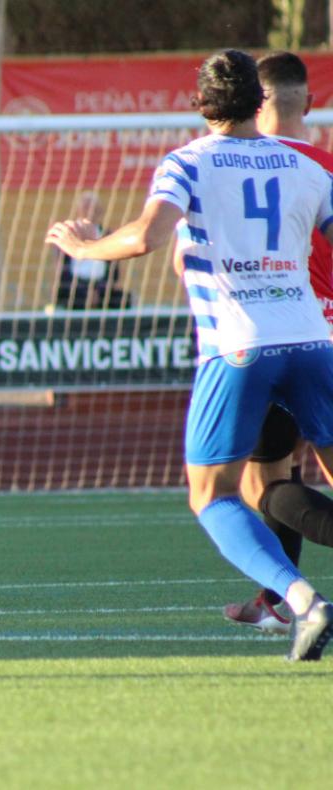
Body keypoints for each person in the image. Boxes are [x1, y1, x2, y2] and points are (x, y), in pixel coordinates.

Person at [46, 50, 333, 661]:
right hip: (312, 342)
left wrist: (84, 247)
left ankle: (303, 601)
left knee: (214, 494)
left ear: (200, 105)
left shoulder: (188, 163)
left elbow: (149, 237)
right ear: (261, 102)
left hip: (239, 347)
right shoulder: (305, 167)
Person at [218, 51, 333, 634]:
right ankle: (278, 601)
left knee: (263, 486)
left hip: (282, 340)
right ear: (309, 104)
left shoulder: (234, 168)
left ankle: (283, 599)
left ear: (252, 105)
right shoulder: (326, 169)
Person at [52, 191, 133, 310]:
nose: (90, 212)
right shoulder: (68, 234)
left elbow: (113, 273)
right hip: (74, 288)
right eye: (86, 208)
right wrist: (85, 291)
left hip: (101, 288)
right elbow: (63, 272)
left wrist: (97, 290)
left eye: (94, 209)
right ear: (78, 210)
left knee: (124, 299)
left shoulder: (108, 236)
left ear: (100, 212)